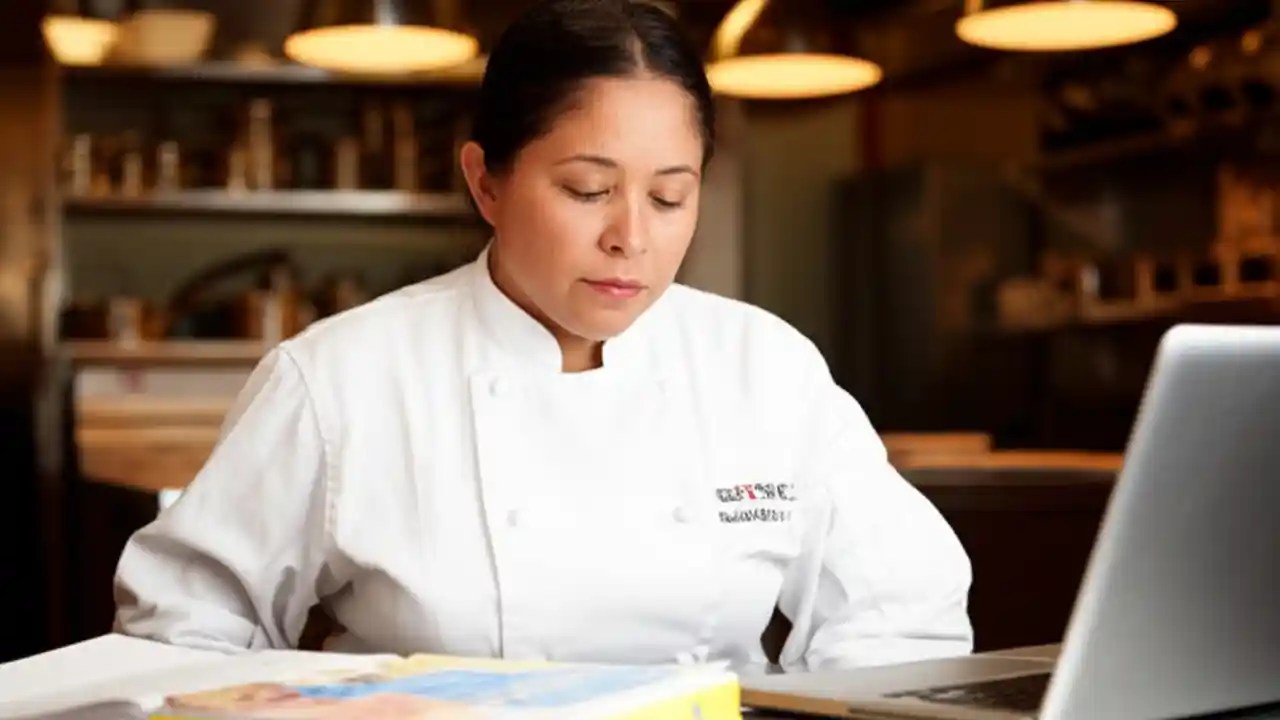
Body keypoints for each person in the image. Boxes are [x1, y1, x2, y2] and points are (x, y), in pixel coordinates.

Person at [113, 0, 973, 673]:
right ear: (486, 182)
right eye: (588, 189)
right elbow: (185, 624)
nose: (632, 238)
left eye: (671, 197)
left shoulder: (763, 367)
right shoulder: (340, 377)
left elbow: (901, 612)